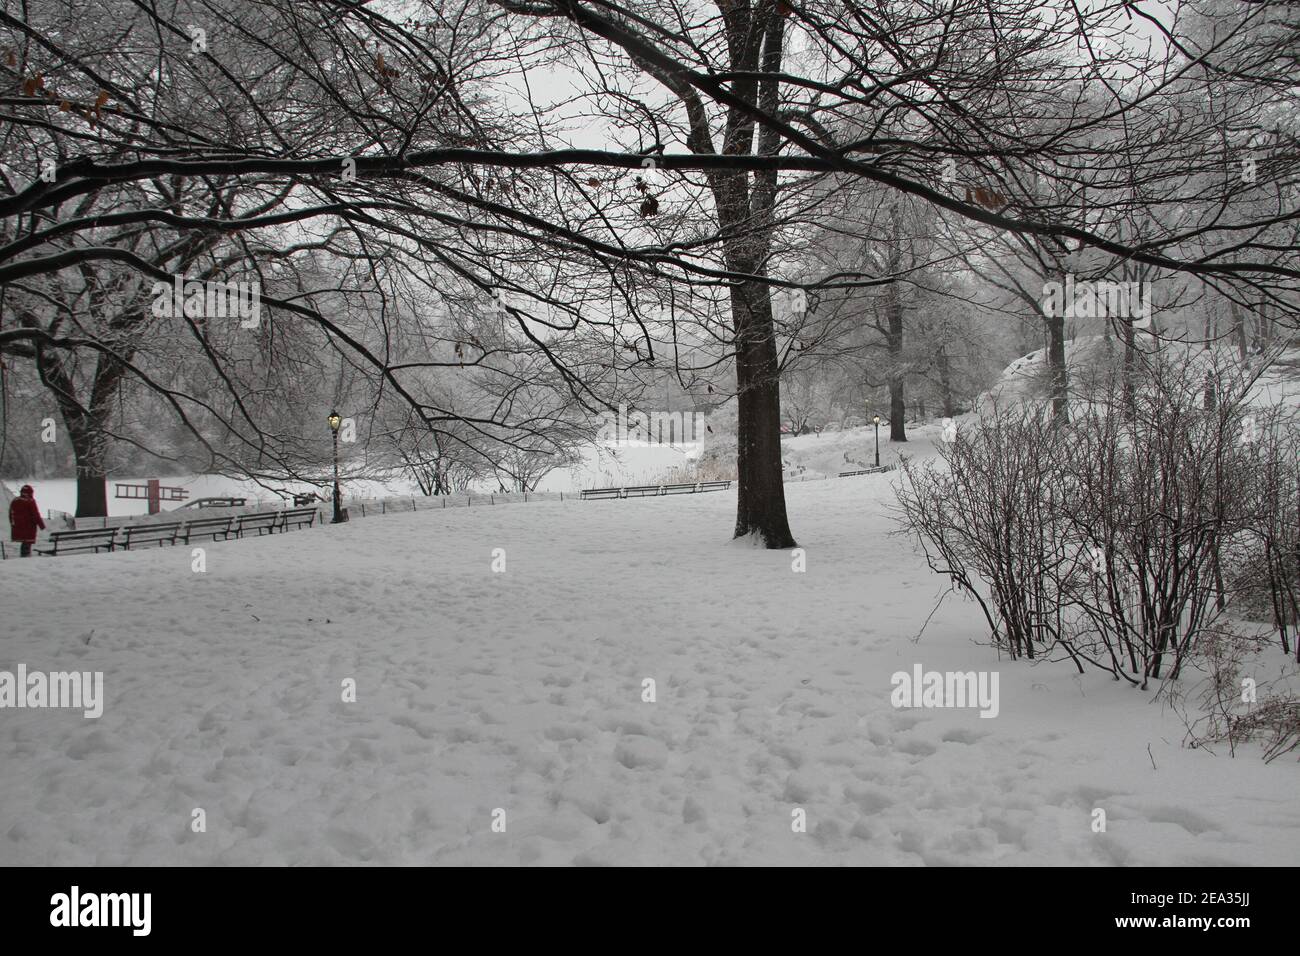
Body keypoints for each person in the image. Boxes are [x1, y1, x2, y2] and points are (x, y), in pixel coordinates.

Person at [9, 484, 46, 557]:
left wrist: (13, 523)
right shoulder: (30, 501)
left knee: (24, 542)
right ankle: (26, 556)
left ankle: (24, 555)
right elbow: (35, 514)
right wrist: (41, 525)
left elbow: (11, 513)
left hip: (18, 527)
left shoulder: (15, 500)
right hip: (29, 527)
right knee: (27, 542)